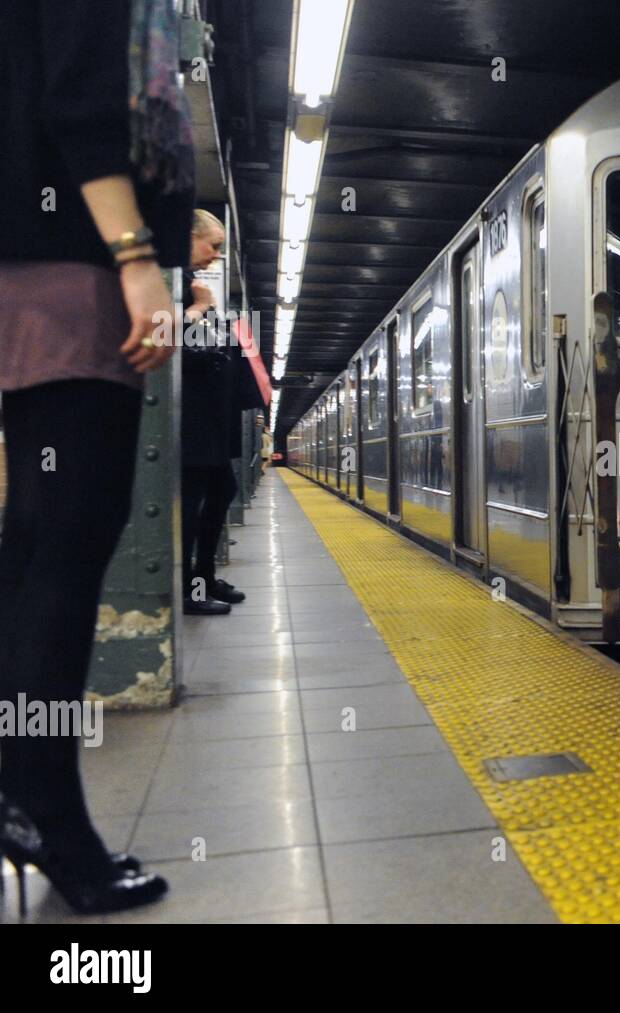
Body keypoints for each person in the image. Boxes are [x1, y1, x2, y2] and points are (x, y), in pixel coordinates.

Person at [0, 0, 192, 913]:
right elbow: (78, 96)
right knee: (70, 537)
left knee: (35, 536)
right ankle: (42, 808)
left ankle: (24, 790)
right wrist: (134, 253)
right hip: (66, 270)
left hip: (29, 262)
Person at [180, 209, 245, 614]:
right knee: (190, 502)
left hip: (206, 417)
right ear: (187, 236)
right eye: (213, 245)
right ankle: (190, 588)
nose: (216, 255)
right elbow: (168, 343)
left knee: (222, 490)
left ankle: (201, 579)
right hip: (188, 420)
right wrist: (199, 308)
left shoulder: (188, 283)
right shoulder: (171, 283)